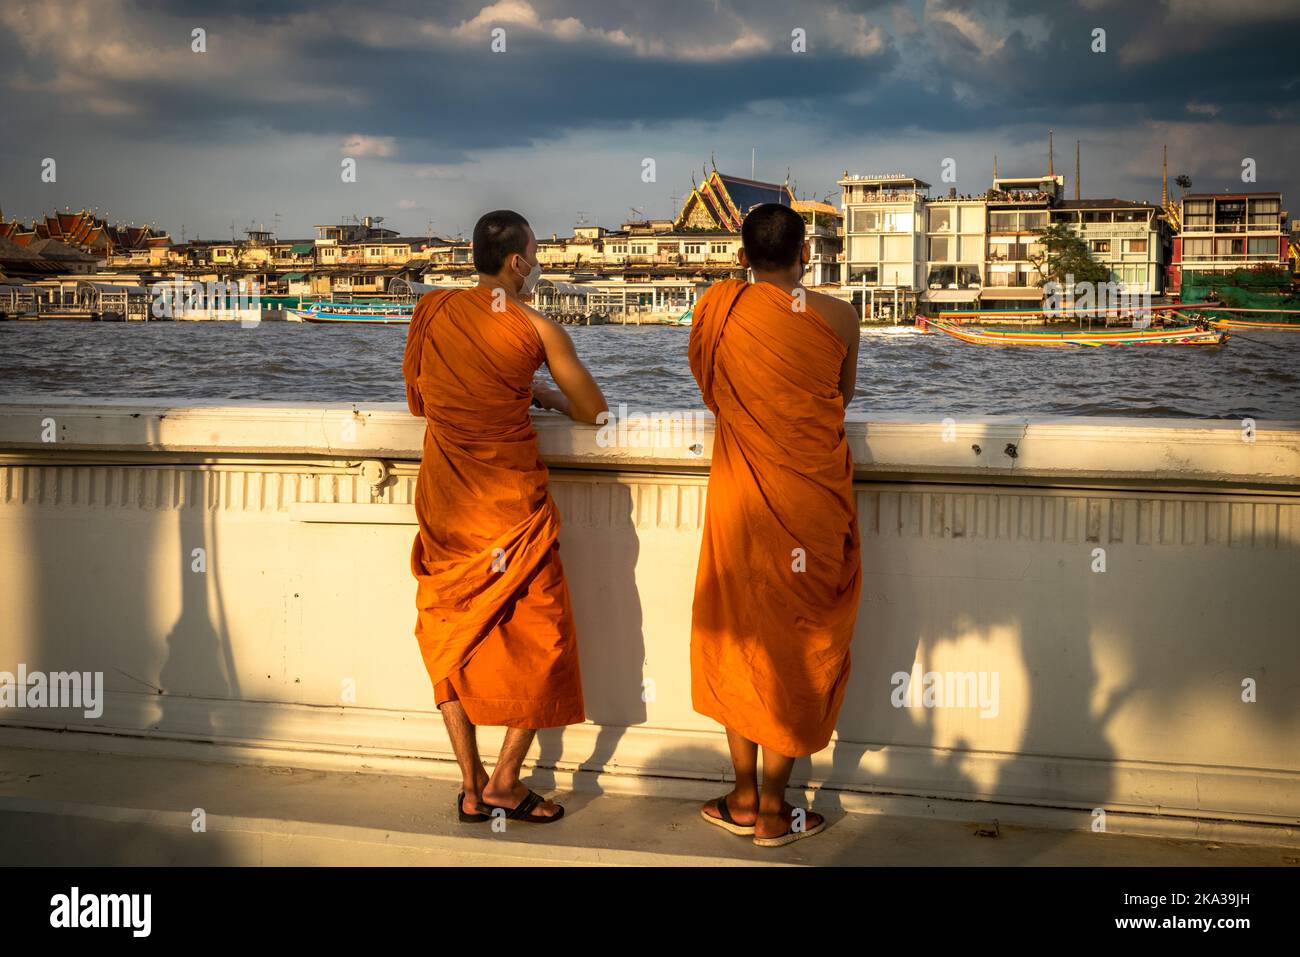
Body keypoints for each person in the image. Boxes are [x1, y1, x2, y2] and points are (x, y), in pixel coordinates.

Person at [401, 209, 607, 824]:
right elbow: (594, 412)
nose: (539, 265)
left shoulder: (432, 311)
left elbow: (419, 399)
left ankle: (472, 783)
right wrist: (539, 391)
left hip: (446, 499)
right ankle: (507, 779)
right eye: (537, 255)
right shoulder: (536, 328)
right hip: (510, 506)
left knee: (449, 633)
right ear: (518, 262)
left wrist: (522, 391)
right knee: (544, 635)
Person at [688, 202, 862, 847]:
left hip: (740, 503)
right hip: (810, 503)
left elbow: (711, 389)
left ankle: (740, 794)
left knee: (738, 634)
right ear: (807, 256)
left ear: (740, 258)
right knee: (797, 640)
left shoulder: (721, 307)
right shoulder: (840, 315)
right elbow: (839, 398)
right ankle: (773, 807)